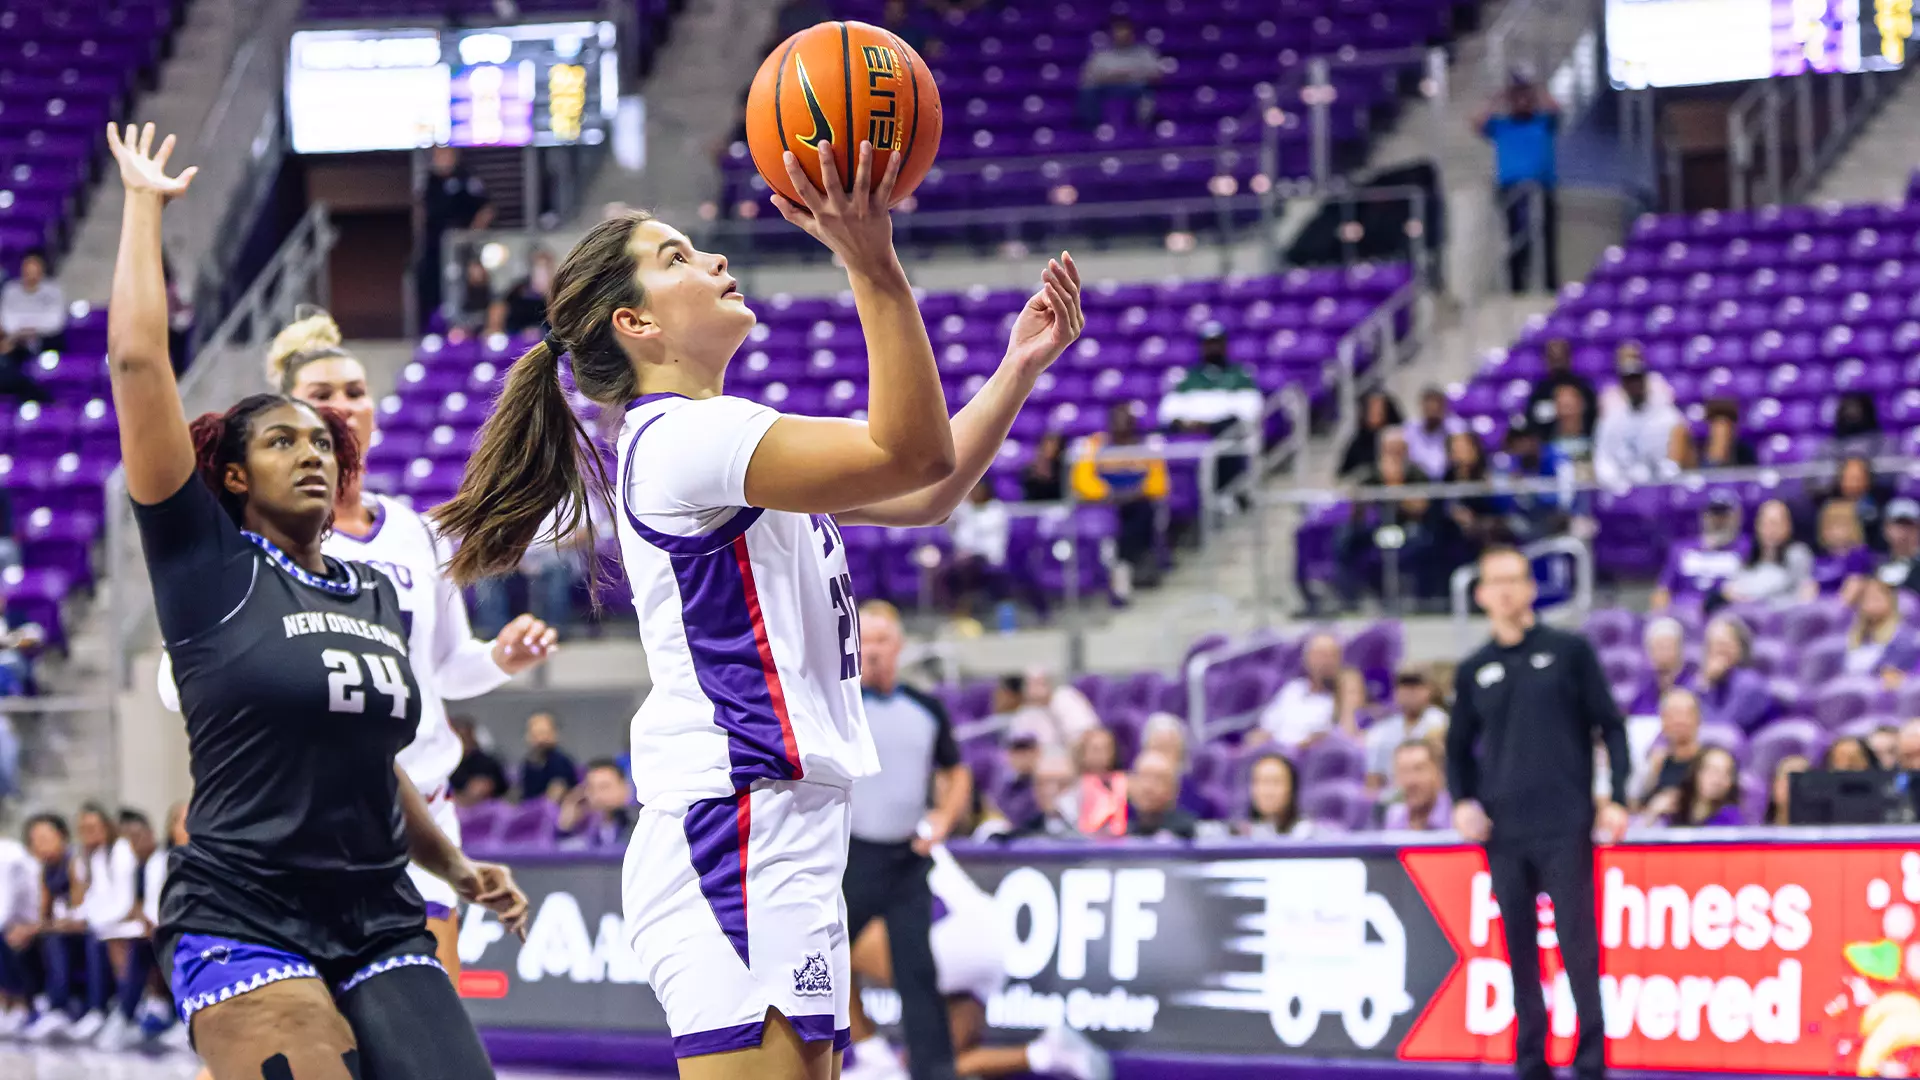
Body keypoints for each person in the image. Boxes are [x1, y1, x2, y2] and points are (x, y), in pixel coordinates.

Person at [429, 137, 1084, 1080]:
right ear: (636, 324)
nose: (715, 260)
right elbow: (913, 456)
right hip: (730, 820)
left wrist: (1019, 366)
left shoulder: (721, 444)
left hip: (789, 820)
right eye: (678, 258)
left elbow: (926, 491)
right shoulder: (687, 440)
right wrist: (871, 263)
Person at [104, 122, 527, 1080]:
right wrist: (142, 209)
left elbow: (374, 763)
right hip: (243, 912)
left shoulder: (377, 585)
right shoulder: (205, 567)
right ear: (237, 476)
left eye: (324, 442)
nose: (314, 450)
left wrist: (455, 868)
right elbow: (137, 366)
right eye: (286, 439)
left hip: (378, 911)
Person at [158, 302, 559, 979]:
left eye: (354, 392)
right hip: (311, 816)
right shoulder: (255, 539)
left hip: (423, 812)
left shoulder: (416, 532)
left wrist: (500, 658)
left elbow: (443, 673)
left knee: (426, 1032)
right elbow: (185, 677)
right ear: (288, 415)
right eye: (321, 396)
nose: (342, 407)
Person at [1448, 546, 1629, 1080]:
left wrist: (1616, 796)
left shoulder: (1568, 651)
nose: (1505, 591)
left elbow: (1611, 726)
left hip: (1566, 823)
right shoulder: (1474, 669)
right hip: (1504, 831)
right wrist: (1462, 801)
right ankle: (1531, 1060)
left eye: (1515, 580)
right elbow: (1457, 748)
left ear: (1531, 588)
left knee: (1578, 945)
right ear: (1480, 595)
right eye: (1494, 582)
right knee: (1519, 951)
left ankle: (1591, 1061)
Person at [842, 846, 1112, 1080]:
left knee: (835, 945)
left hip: (955, 937)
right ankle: (1044, 1054)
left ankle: (872, 1054)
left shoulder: (874, 833)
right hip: (987, 947)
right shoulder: (902, 822)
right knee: (931, 1064)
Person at [844, 600, 970, 1080]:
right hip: (853, 853)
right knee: (825, 955)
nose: (873, 649)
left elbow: (956, 770)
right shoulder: (840, 704)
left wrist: (943, 818)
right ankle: (861, 1049)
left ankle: (933, 1071)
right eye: (866, 639)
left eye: (882, 640)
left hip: (907, 856)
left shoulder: (925, 709)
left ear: (898, 646)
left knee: (917, 969)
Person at [1071, 402, 1166, 594]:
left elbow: (1159, 484)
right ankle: (1113, 568)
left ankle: (1129, 563)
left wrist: (1136, 493)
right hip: (1105, 502)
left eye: (1126, 421)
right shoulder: (1096, 444)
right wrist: (1108, 494)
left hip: (1136, 501)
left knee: (1145, 512)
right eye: (1117, 421)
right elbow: (1082, 480)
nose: (1121, 425)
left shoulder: (1145, 446)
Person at [1157, 321, 1258, 496]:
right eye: (1208, 343)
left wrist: (1209, 426)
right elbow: (1167, 413)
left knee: (1226, 441)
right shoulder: (1188, 378)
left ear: (1224, 345)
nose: (1213, 348)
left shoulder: (1239, 376)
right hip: (1192, 440)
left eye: (1217, 343)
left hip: (1227, 441)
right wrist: (1190, 425)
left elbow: (1249, 412)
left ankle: (1229, 497)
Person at [1480, 77, 1560, 292]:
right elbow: (1477, 122)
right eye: (1518, 98)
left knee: (1546, 238)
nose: (1522, 102)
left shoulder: (1542, 122)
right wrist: (1498, 97)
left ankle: (1549, 286)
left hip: (1541, 188)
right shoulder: (1502, 126)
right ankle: (1517, 288)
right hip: (1511, 190)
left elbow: (1556, 109)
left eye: (1526, 98)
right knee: (1515, 239)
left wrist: (1536, 88)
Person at [415, 146, 495, 325]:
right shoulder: (430, 181)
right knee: (429, 283)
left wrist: (472, 235)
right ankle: (434, 325)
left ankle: (466, 325)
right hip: (435, 246)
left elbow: (486, 209)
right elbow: (422, 210)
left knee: (465, 281)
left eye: (445, 156)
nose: (441, 160)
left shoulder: (466, 179)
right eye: (438, 156)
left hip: (462, 245)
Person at [1593, 345, 1680, 487]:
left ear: (1645, 379)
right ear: (1622, 383)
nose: (1634, 385)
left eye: (1637, 379)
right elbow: (1603, 459)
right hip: (1623, 488)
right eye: (1629, 380)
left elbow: (1672, 463)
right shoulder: (1611, 420)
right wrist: (1618, 485)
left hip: (1660, 485)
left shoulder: (1667, 416)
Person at [1649, 491, 1748, 613]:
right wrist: (1660, 615)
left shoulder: (1745, 548)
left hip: (1726, 614)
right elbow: (1663, 590)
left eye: (1724, 515)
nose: (1718, 520)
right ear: (1704, 516)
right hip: (1683, 613)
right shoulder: (1681, 550)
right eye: (1714, 514)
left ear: (1736, 517)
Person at [1252, 631, 1347, 749]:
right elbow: (1266, 728)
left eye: (1330, 655)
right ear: (1306, 659)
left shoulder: (1346, 694)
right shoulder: (1293, 688)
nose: (1323, 662)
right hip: (1276, 753)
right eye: (1318, 655)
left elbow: (1341, 736)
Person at [1365, 667, 1449, 795]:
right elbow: (1373, 779)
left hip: (1431, 793)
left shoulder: (1440, 720)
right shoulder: (1382, 730)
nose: (1410, 693)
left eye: (1416, 687)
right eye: (1405, 687)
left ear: (1429, 690)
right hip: (1393, 795)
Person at [1721, 498, 1811, 605]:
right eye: (1765, 523)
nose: (1770, 529)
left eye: (1775, 523)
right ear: (1757, 526)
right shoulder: (1747, 556)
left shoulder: (1797, 554)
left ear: (1788, 527)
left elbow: (1805, 594)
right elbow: (1731, 589)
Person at [1693, 615, 1774, 733]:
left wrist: (1705, 689)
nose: (1717, 651)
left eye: (1723, 645)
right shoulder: (1706, 681)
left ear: (1740, 648)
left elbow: (1723, 729)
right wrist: (1703, 684)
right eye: (1712, 645)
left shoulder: (1751, 684)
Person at [1077, 15, 1160, 128]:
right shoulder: (1100, 55)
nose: (1121, 35)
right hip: (1106, 88)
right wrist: (1125, 75)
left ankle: (1142, 126)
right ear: (1112, 34)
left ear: (1132, 33)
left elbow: (1155, 75)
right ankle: (1091, 127)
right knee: (1088, 91)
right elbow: (1088, 77)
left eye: (1125, 31)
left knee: (1144, 89)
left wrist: (1124, 76)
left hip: (1135, 88)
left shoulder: (1145, 52)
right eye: (1118, 31)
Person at [942, 481, 1009, 619]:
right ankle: (956, 614)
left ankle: (967, 610)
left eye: (978, 491)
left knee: (965, 568)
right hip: (967, 558)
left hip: (990, 558)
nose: (975, 494)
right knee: (944, 573)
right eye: (972, 491)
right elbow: (949, 522)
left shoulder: (996, 510)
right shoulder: (966, 509)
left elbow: (985, 536)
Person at [1844, 575, 1920, 686]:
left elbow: (1899, 678)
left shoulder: (1905, 638)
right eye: (1866, 597)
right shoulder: (1853, 636)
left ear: (1890, 599)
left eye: (1877, 596)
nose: (1872, 601)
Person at [1634, 688, 1704, 808]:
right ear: (1662, 721)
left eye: (1685, 714)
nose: (1679, 721)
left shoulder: (1706, 762)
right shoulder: (1655, 763)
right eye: (1672, 715)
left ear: (1698, 719)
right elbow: (1635, 805)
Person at [0, 824, 38, 1034]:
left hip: (28, 920)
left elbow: (6, 905)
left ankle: (19, 1004)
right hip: (10, 921)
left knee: (6, 938)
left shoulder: (8, 855)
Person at [1, 248, 66, 368]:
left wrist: (29, 329)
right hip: (16, 344)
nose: (31, 273)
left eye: (35, 268)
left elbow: (55, 321)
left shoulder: (53, 290)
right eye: (28, 268)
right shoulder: (11, 290)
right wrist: (23, 331)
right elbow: (7, 321)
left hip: (47, 343)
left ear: (42, 270)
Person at [1649, 746, 1742, 827]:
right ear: (1696, 773)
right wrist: (1653, 813)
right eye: (1712, 770)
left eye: (1727, 773)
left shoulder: (1731, 817)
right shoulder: (1675, 809)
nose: (1718, 779)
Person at [557, 759, 639, 849]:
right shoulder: (586, 824)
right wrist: (565, 827)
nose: (598, 795)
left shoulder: (639, 822)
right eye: (591, 788)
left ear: (625, 787)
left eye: (604, 787)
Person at [1806, 497, 1874, 599]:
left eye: (1840, 526)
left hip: (1845, 610)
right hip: (1818, 607)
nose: (1833, 531)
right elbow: (1810, 588)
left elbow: (1853, 588)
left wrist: (1834, 610)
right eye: (1828, 526)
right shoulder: (1821, 558)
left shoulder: (1858, 555)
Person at [1525, 338, 1595, 438]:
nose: (1558, 364)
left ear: (1569, 357)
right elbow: (1532, 421)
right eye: (1554, 359)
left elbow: (1593, 417)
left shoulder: (1583, 387)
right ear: (1546, 359)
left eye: (1560, 358)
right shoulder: (1540, 391)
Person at [1626, 616, 1693, 717]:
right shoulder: (1644, 690)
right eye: (1659, 647)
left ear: (1679, 649)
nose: (1663, 653)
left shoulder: (1693, 687)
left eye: (1668, 647)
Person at [1124, 749, 1198, 840]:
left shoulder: (1186, 833)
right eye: (1142, 777)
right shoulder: (1120, 827)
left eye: (1158, 779)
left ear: (1173, 789)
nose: (1148, 787)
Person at [1381, 740, 1452, 831]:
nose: (1410, 781)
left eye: (1419, 769)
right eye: (1404, 771)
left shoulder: (1457, 815)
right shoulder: (1394, 818)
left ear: (1439, 773)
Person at [1235, 752, 1308, 838]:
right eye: (1260, 782)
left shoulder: (1306, 835)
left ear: (1292, 788)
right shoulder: (1239, 835)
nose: (1268, 791)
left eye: (1276, 782)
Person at [1337, 389, 1404, 480]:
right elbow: (1343, 475)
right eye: (1371, 407)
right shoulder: (1358, 443)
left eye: (1379, 407)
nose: (1375, 411)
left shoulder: (1398, 438)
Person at [517, 711, 581, 801]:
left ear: (554, 735)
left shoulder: (560, 762)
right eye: (535, 735)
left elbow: (555, 796)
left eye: (544, 733)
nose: (540, 739)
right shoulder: (526, 764)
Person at [1403, 386, 1464, 479]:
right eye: (1428, 404)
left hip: (1449, 480)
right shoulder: (1409, 430)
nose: (1432, 409)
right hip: (1417, 481)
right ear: (1422, 406)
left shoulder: (1455, 428)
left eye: (1436, 404)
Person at [449, 716, 511, 805]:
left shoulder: (488, 761)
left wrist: (489, 785)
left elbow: (503, 786)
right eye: (460, 737)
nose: (463, 741)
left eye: (465, 736)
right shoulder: (447, 765)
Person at [499, 246, 556, 336]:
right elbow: (510, 324)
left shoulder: (557, 295)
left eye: (546, 268)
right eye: (539, 268)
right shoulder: (518, 293)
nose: (543, 273)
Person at [1877, 498, 1920, 591]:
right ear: (1886, 528)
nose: (1904, 532)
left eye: (1910, 525)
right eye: (1899, 525)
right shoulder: (1874, 564)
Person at [1832, 390, 1885, 459]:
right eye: (1848, 408)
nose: (1851, 412)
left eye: (1856, 407)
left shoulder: (1878, 441)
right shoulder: (1833, 444)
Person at [1021, 431, 1067, 502]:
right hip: (1033, 502)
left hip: (1057, 503)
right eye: (1049, 443)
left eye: (1055, 444)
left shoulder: (1062, 465)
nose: (1052, 447)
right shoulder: (1032, 464)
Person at [1766, 754, 1809, 826]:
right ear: (1774, 785)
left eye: (1800, 780)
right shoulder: (1758, 833)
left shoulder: (1825, 834)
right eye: (1787, 778)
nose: (1793, 787)